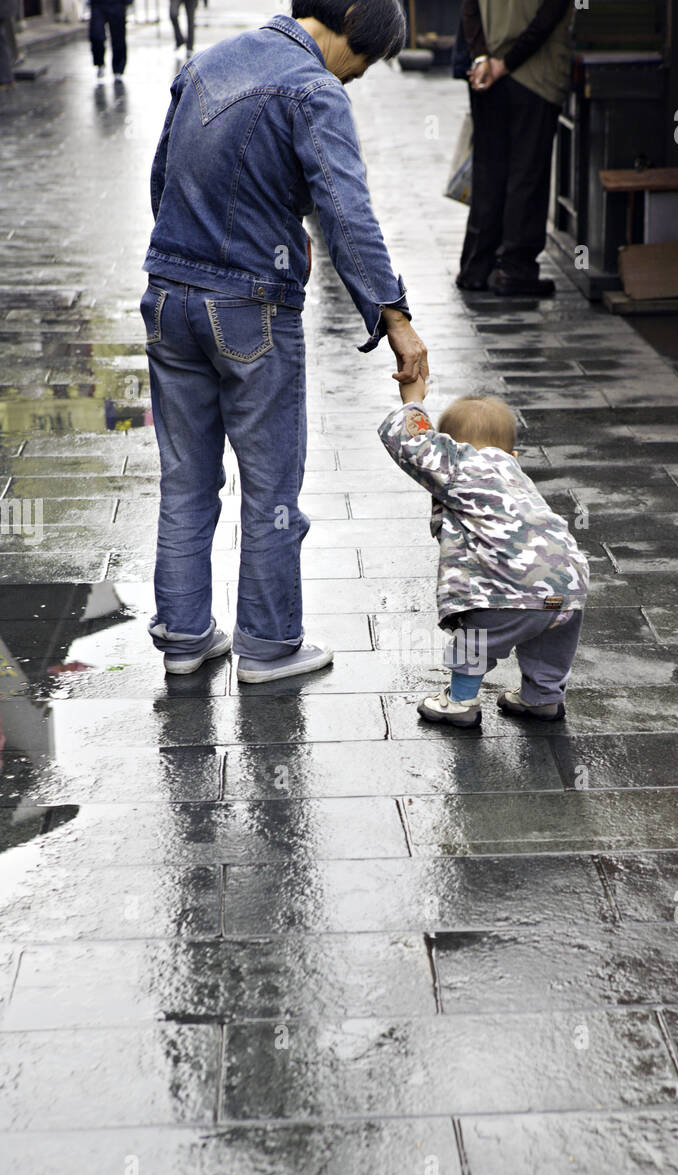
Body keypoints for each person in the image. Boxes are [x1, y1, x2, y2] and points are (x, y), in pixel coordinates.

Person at [142, 2, 427, 681]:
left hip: (166, 298)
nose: (356, 78)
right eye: (365, 63)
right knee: (271, 486)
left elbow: (163, 181)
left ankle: (183, 637)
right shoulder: (314, 88)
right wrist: (394, 314)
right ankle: (268, 645)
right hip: (250, 310)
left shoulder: (205, 64)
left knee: (186, 479)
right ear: (354, 29)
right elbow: (346, 210)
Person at [378, 378, 589, 728]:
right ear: (514, 454)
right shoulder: (514, 473)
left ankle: (460, 702)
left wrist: (413, 401)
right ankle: (543, 698)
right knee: (548, 637)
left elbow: (410, 442)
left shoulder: (462, 464)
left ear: (452, 446)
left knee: (477, 632)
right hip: (570, 586)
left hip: (512, 585)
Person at [458, 0, 573, 296]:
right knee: (527, 173)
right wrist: (506, 64)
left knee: (488, 171)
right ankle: (514, 268)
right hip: (535, 76)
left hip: (486, 77)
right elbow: (548, 16)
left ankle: (476, 267)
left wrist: (482, 57)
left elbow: (469, 8)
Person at [90, 0, 133, 80]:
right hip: (98, 4)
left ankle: (118, 70)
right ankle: (99, 63)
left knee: (118, 38)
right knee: (96, 35)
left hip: (117, 3)